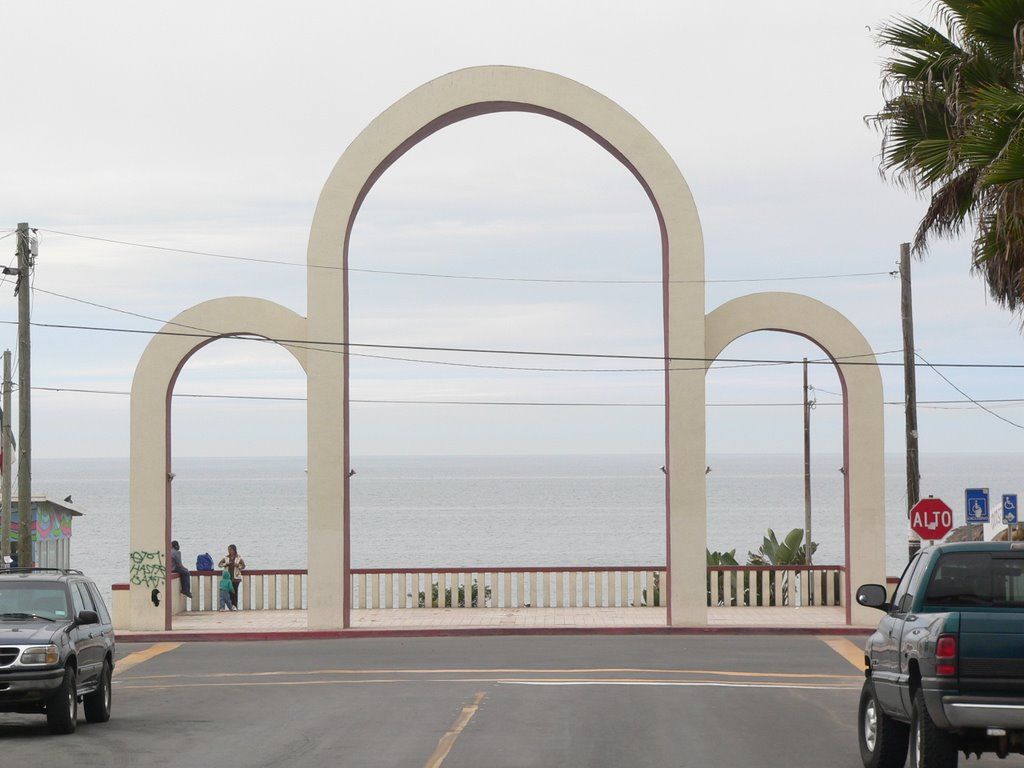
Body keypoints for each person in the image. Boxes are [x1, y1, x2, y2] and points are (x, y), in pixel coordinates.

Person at [218, 545, 246, 609]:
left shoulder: (239, 558)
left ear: (234, 550)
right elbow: (219, 564)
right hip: (228, 579)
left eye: (230, 550)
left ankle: (235, 606)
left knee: (234, 592)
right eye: (228, 550)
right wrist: (226, 564)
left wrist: (237, 565)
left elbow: (243, 566)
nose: (229, 551)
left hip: (236, 578)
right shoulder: (226, 558)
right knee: (229, 593)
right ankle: (231, 606)